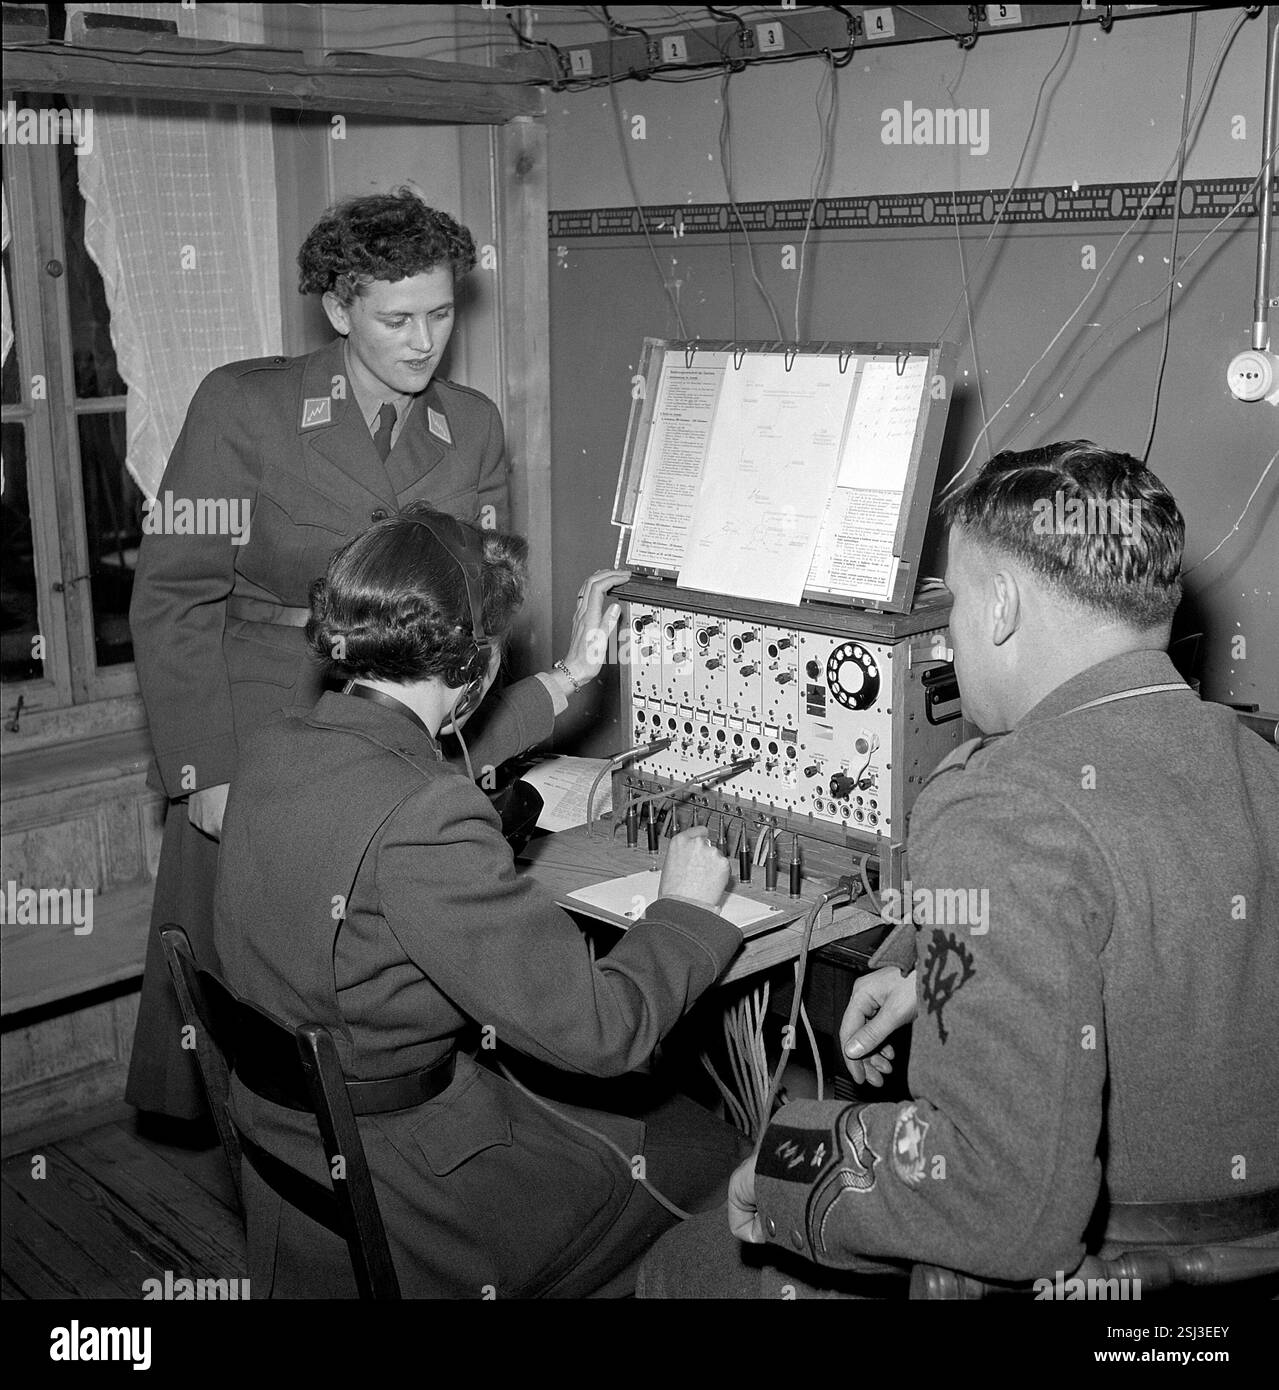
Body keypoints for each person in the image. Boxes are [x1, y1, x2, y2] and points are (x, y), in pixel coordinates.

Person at [639, 441, 1279, 1298]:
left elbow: (997, 1202)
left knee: (681, 1272)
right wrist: (929, 961)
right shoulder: (1253, 756)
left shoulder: (997, 805)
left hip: (1089, 1272)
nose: (946, 640)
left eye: (953, 607)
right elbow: (1148, 925)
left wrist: (785, 1158)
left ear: (1002, 606)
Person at [213, 506, 747, 1297]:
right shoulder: (427, 819)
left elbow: (404, 767)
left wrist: (568, 678)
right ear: (477, 665)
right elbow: (607, 1033)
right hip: (413, 1191)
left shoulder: (278, 745)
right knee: (715, 1155)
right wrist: (686, 910)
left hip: (286, 1146)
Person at [128, 190, 526, 1122]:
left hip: (403, 730)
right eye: (396, 319)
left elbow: (485, 595)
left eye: (439, 313)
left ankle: (389, 1156)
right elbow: (174, 594)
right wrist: (203, 771)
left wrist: (483, 730)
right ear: (339, 310)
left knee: (379, 973)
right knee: (248, 993)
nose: (424, 341)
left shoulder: (470, 425)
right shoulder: (246, 405)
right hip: (263, 720)